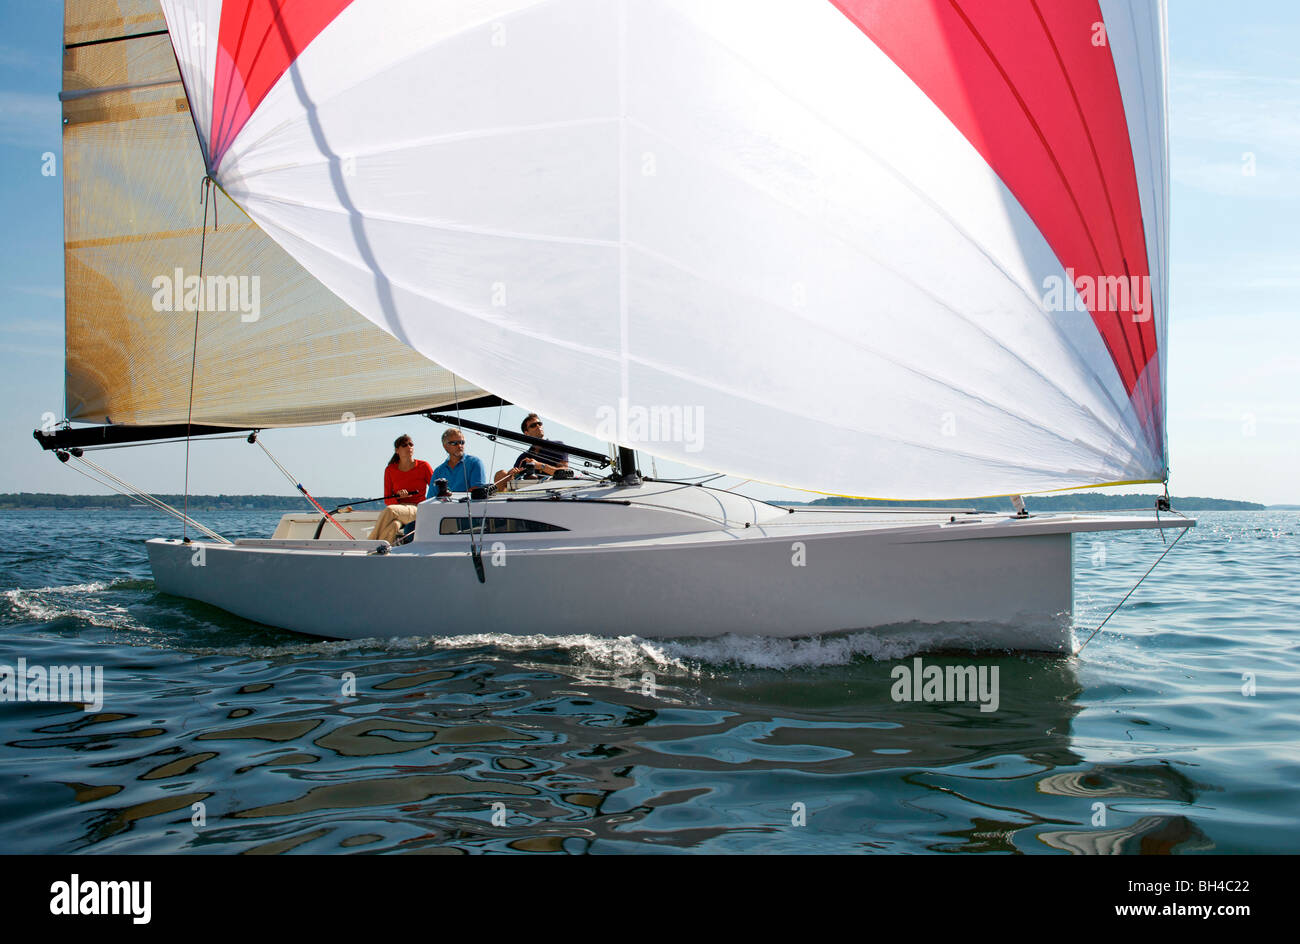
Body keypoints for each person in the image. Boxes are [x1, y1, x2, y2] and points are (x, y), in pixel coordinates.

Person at [367, 434, 432, 543]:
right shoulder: (390, 470)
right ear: (397, 450)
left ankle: (368, 543)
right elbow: (387, 499)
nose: (409, 447)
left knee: (390, 510)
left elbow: (436, 489)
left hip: (418, 508)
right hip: (399, 509)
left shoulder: (423, 466)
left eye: (411, 444)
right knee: (394, 525)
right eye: (405, 445)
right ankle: (379, 552)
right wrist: (398, 497)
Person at [493, 414, 569, 488]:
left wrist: (540, 466)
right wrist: (512, 474)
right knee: (501, 474)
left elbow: (566, 472)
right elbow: (515, 480)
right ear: (526, 433)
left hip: (552, 489)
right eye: (533, 425)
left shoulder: (558, 446)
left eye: (539, 424)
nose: (538, 426)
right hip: (528, 492)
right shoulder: (523, 457)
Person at [432, 427, 487, 492]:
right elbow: (431, 498)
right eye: (454, 443)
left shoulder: (475, 463)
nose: (459, 446)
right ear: (445, 446)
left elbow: (477, 492)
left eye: (462, 442)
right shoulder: (438, 471)